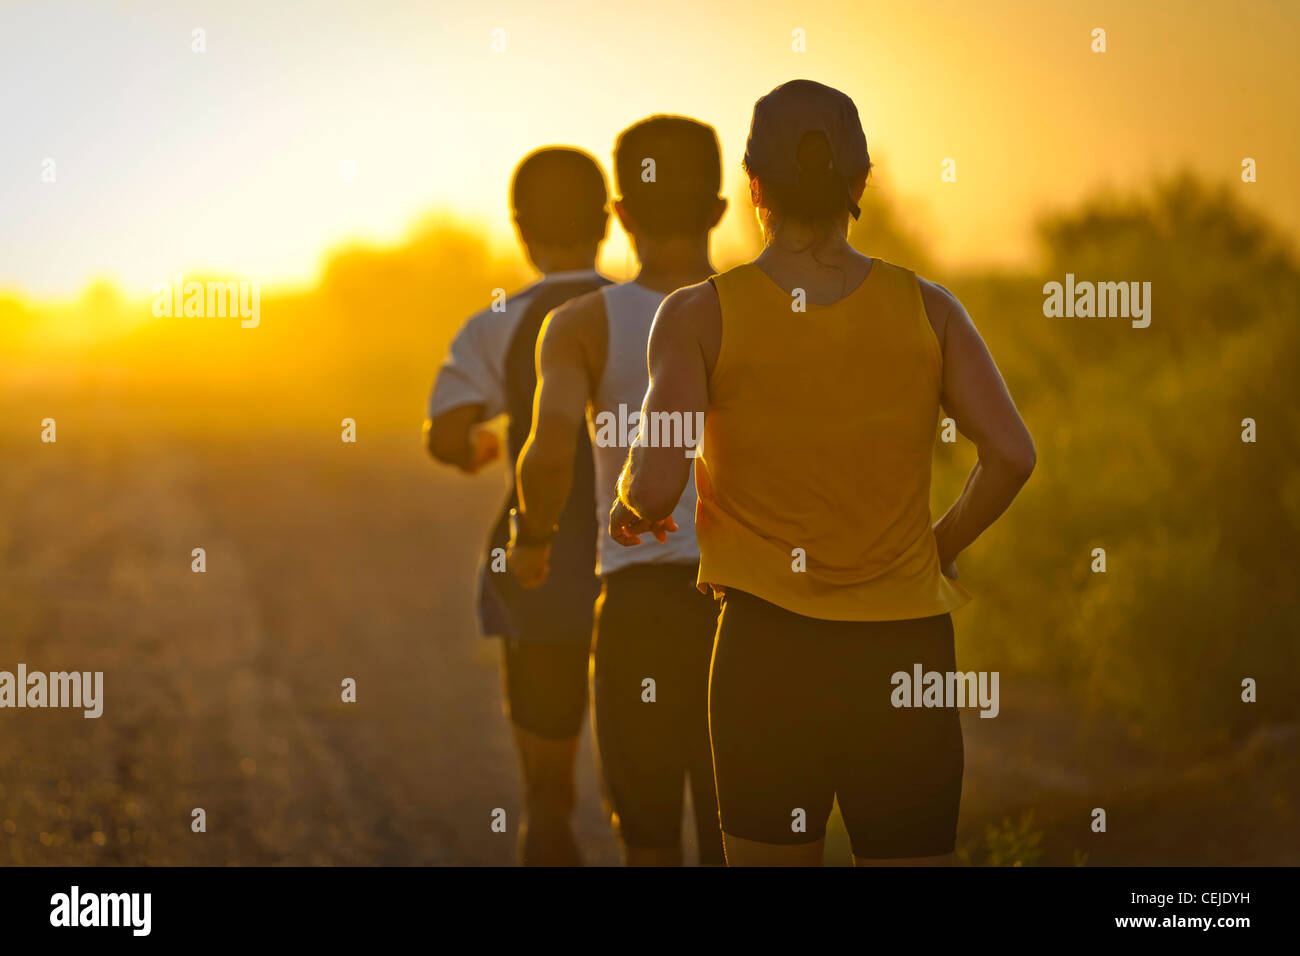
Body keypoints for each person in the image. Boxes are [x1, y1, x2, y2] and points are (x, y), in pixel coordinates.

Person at [609, 80, 1036, 866]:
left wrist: (630, 500)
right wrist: (936, 547)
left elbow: (658, 482)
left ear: (753, 185)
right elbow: (1012, 455)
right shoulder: (932, 309)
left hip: (768, 656)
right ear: (859, 184)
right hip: (906, 655)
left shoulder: (699, 315)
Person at [508, 116, 727, 866]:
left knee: (649, 836)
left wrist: (531, 542)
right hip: (750, 611)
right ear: (721, 211)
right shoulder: (767, 314)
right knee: (753, 835)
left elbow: (548, 453)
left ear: (623, 216)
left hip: (640, 608)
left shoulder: (580, 325)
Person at [423, 147, 611, 865]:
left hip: (545, 560)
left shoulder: (499, 323)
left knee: (547, 780)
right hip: (653, 556)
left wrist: (473, 449)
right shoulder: (653, 310)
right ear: (607, 222)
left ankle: (549, 818)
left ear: (520, 229)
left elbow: (446, 430)